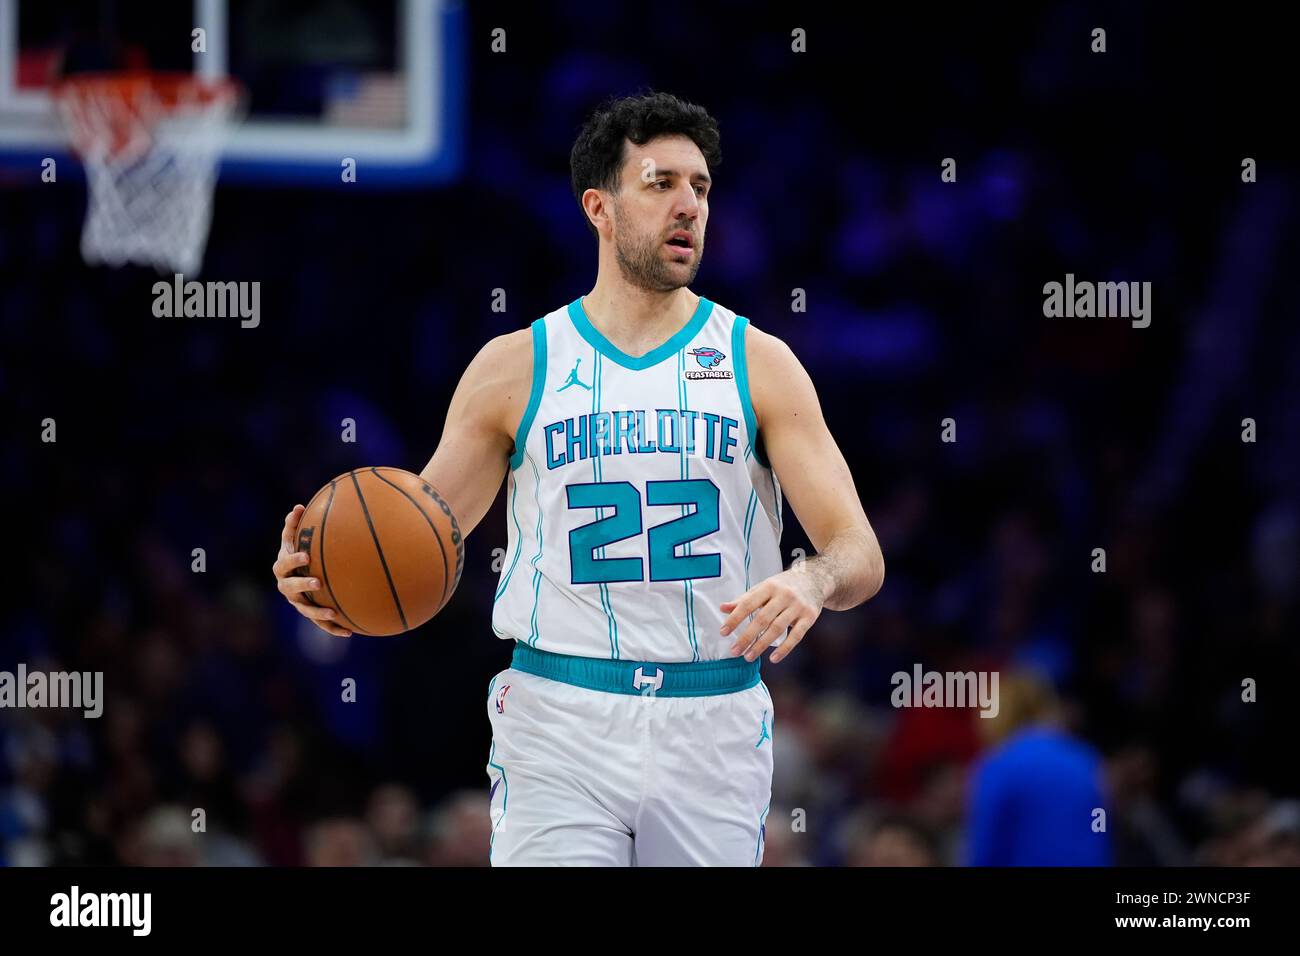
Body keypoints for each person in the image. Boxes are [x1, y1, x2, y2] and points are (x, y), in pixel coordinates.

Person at [272, 91, 885, 865]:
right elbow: (420, 539)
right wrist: (335, 588)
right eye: (661, 183)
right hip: (559, 716)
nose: (689, 205)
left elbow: (858, 551)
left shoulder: (759, 363)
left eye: (700, 187)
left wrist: (811, 581)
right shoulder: (513, 367)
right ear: (600, 206)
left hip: (713, 718)